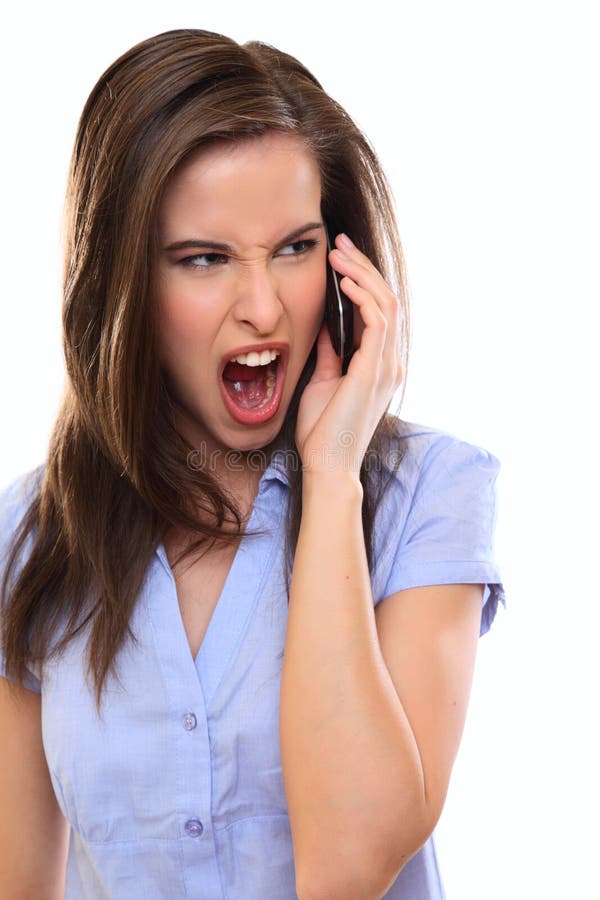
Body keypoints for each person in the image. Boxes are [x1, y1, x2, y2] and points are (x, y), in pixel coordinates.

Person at [0, 28, 505, 900]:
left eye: (296, 248)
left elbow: (349, 865)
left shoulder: (427, 496)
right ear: (124, 285)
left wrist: (332, 471)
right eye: (205, 259)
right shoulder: (30, 539)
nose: (264, 307)